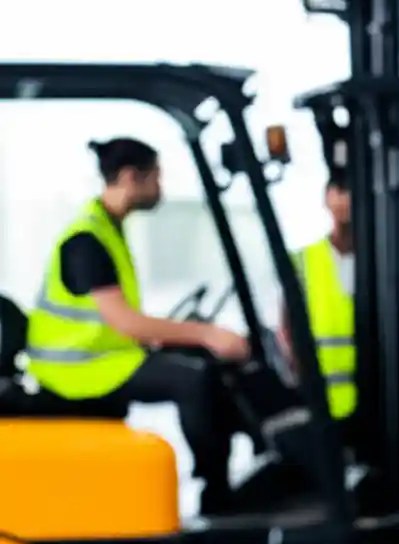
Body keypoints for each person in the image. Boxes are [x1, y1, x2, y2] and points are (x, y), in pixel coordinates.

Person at [26, 137, 250, 514]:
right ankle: (216, 497)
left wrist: (187, 338)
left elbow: (114, 323)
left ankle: (238, 477)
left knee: (200, 364)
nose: (161, 187)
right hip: (76, 372)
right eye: (157, 178)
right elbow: (126, 322)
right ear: (131, 177)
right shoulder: (87, 239)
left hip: (97, 361)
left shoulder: (106, 227)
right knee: (192, 380)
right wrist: (208, 334)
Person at [279, 173, 357, 431]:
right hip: (316, 397)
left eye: (350, 191)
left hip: (373, 397)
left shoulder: (381, 257)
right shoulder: (303, 260)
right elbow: (286, 327)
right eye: (338, 191)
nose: (344, 200)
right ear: (326, 198)